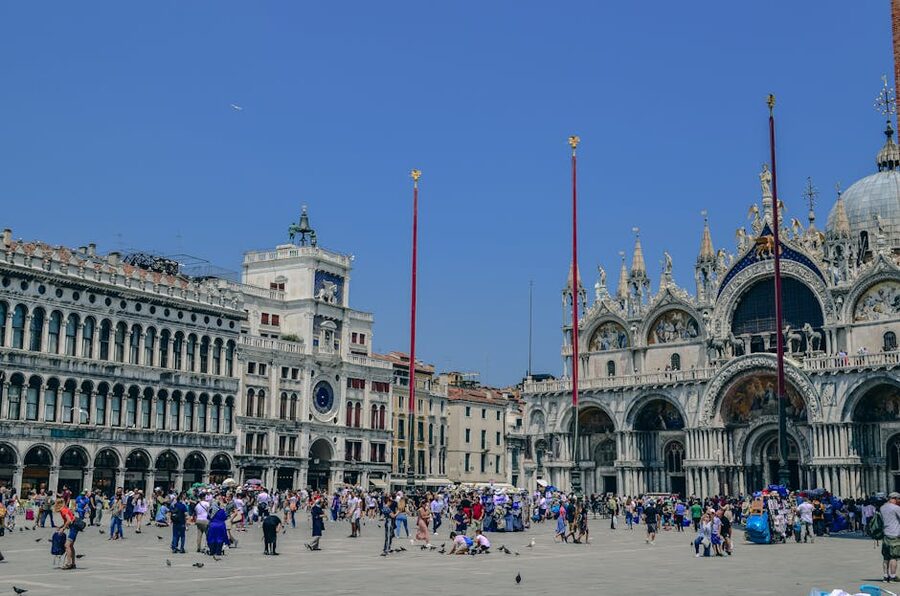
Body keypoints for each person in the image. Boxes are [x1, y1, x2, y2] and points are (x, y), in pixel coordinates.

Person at [881, 492, 900, 582]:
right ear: (894, 498)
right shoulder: (896, 508)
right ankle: (892, 577)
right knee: (894, 557)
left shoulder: (882, 507)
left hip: (885, 535)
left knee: (886, 557)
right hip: (895, 535)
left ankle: (885, 576)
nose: (899, 501)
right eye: (898, 499)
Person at [58, 497, 80, 570]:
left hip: (73, 527)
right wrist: (61, 527)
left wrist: (63, 529)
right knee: (70, 545)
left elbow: (69, 520)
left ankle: (68, 563)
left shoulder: (63, 510)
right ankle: (73, 563)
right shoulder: (65, 508)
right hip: (74, 527)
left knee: (67, 545)